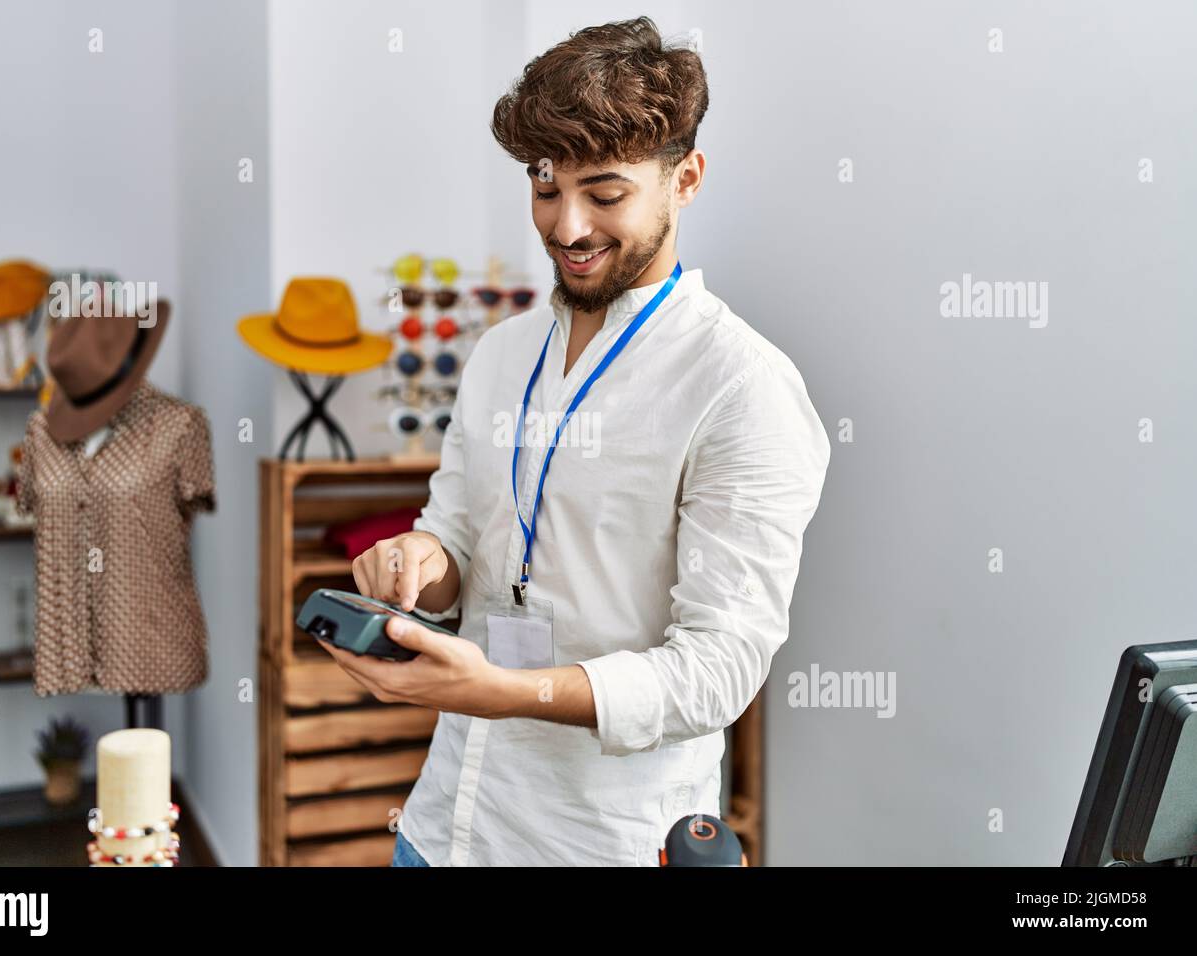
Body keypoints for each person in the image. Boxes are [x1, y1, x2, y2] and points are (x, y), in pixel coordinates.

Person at [323, 16, 832, 866]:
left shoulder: (743, 388)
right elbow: (456, 538)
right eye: (544, 187)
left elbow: (720, 667)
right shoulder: (500, 353)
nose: (565, 227)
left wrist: (508, 691)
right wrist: (417, 560)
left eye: (605, 194)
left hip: (599, 844)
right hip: (445, 824)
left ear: (687, 179)